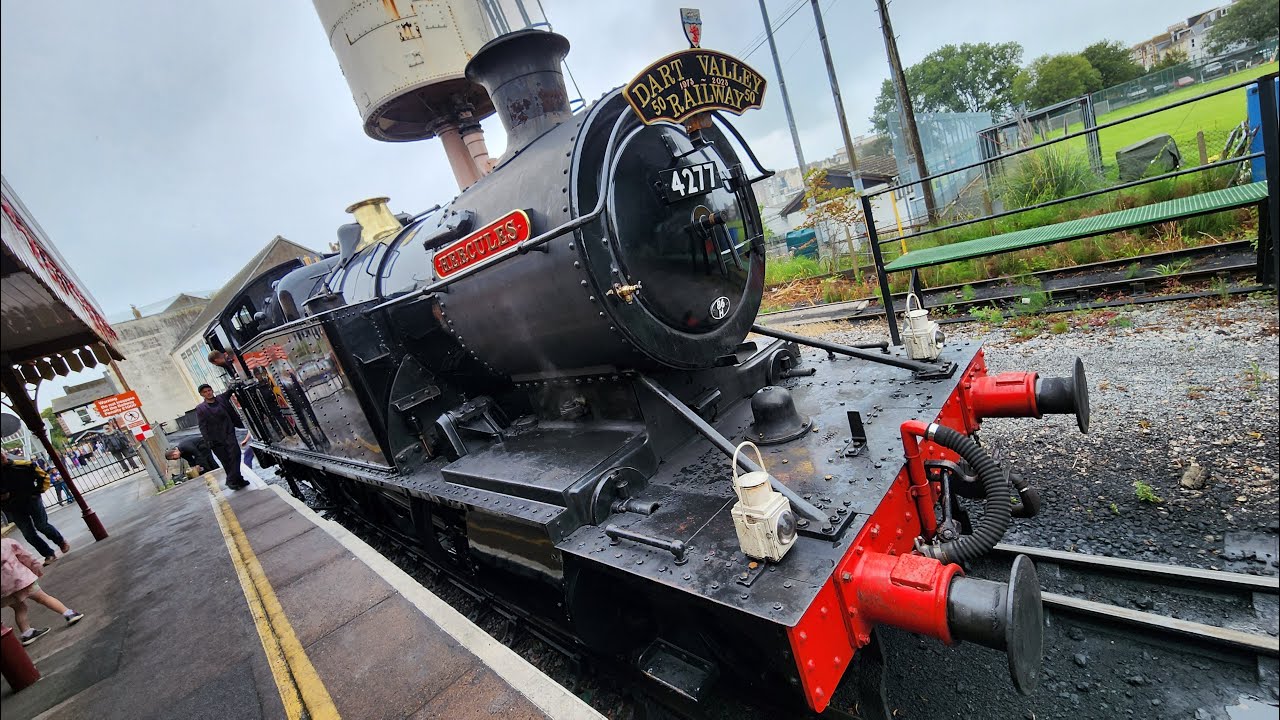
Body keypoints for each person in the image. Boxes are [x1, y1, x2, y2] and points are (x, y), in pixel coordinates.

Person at [1, 537, 84, 646]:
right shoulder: (7, 542)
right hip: (22, 580)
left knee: (20, 608)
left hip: (4, 590)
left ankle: (27, 633)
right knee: (43, 598)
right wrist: (36, 569)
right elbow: (25, 557)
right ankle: (69, 614)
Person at [0, 453, 69, 563]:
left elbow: (44, 477)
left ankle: (60, 541)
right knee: (28, 534)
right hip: (13, 507)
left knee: (42, 525)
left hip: (31, 501)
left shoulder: (23, 465)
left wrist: (37, 492)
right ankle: (48, 554)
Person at [196, 384, 248, 490]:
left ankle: (230, 480)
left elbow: (229, 391)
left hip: (229, 433)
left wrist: (234, 384)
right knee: (226, 461)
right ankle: (238, 481)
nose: (208, 393)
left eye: (209, 390)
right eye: (205, 392)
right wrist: (208, 440)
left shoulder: (221, 398)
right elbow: (202, 426)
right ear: (202, 394)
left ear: (212, 390)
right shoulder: (201, 408)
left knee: (235, 454)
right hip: (215, 438)